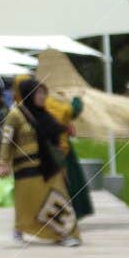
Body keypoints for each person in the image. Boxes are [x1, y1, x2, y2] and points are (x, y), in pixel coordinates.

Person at [0, 77, 81, 247]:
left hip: (49, 166)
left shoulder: (45, 115)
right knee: (29, 203)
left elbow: (53, 131)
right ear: (29, 94)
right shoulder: (15, 114)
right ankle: (21, 228)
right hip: (25, 168)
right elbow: (7, 140)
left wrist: (65, 128)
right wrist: (3, 162)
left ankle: (65, 233)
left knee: (59, 198)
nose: (43, 97)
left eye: (44, 93)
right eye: (39, 93)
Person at [45, 91, 94, 220]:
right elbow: (73, 110)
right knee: (67, 182)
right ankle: (66, 213)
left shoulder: (38, 102)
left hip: (50, 148)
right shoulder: (53, 104)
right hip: (59, 149)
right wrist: (78, 98)